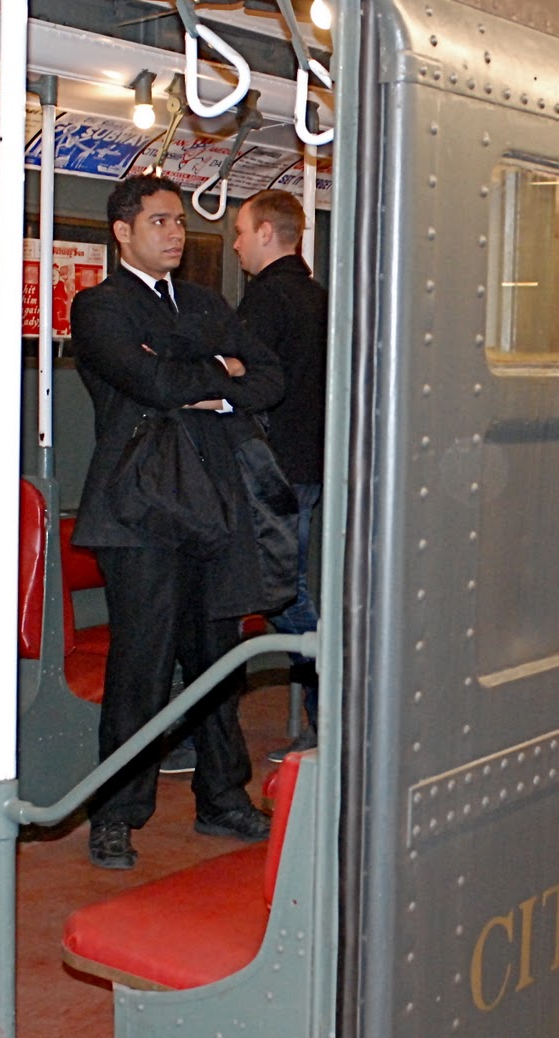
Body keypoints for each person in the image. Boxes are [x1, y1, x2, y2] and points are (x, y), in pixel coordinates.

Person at [70, 174, 286, 869]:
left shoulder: (204, 301)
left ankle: (222, 797)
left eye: (179, 222)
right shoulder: (99, 306)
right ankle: (116, 814)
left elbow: (270, 378)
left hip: (214, 504)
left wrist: (205, 383)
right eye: (159, 221)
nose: (174, 234)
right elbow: (149, 382)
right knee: (142, 663)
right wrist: (220, 370)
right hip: (139, 510)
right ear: (123, 231)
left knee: (217, 660)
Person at [233, 190, 328, 760]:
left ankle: (331, 705)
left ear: (267, 233)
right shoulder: (319, 299)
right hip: (311, 464)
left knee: (281, 592)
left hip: (272, 471)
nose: (236, 244)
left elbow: (239, 376)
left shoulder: (267, 300)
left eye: (242, 232)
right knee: (290, 585)